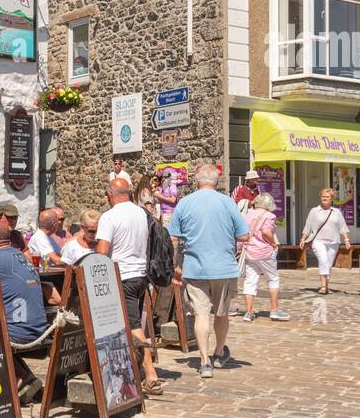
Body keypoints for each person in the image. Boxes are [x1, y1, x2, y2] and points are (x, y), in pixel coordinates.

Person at [169, 165, 250, 379]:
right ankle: (219, 351)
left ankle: (204, 362)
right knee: (221, 313)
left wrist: (175, 265)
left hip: (195, 268)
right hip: (223, 267)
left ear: (196, 181)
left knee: (201, 314)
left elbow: (173, 238)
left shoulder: (184, 203)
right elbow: (244, 235)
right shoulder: (227, 203)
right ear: (216, 181)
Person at [95, 179, 162, 394]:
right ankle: (132, 367)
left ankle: (151, 376)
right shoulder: (141, 213)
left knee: (133, 326)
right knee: (135, 324)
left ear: (109, 194)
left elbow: (103, 252)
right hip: (142, 275)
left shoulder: (109, 216)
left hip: (123, 276)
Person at [0, 222, 58, 398]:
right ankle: (27, 378)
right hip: (40, 329)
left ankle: (20, 378)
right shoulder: (21, 256)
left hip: (20, 334)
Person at [240, 193, 289, 323]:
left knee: (250, 280)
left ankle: (249, 312)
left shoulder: (248, 214)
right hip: (264, 251)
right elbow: (266, 232)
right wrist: (274, 244)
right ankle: (274, 310)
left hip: (250, 250)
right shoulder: (269, 216)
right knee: (273, 279)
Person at [300, 188, 350, 295]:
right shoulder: (314, 211)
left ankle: (326, 285)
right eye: (323, 196)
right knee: (323, 260)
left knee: (329, 263)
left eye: (327, 197)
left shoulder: (336, 212)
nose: (325, 198)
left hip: (333, 241)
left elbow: (343, 227)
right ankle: (323, 286)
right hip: (318, 241)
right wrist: (303, 238)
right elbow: (308, 226)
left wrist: (346, 239)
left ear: (332, 199)